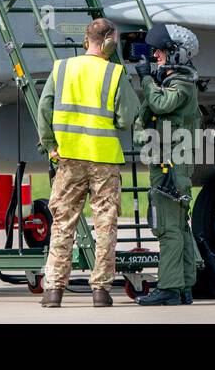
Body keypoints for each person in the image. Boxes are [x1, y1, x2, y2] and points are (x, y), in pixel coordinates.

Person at [35, 17, 138, 307]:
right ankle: (101, 291)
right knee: (105, 224)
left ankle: (54, 289)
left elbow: (44, 108)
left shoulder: (62, 68)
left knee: (63, 223)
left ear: (86, 39)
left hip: (68, 157)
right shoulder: (114, 74)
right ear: (108, 42)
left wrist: (50, 145)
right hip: (103, 159)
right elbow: (127, 118)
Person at [132, 23, 202, 305]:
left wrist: (147, 80)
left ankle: (169, 288)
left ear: (177, 54)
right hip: (170, 162)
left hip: (171, 164)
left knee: (169, 228)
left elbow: (161, 104)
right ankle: (184, 285)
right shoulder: (173, 82)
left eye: (161, 50)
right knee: (179, 226)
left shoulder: (181, 85)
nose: (156, 54)